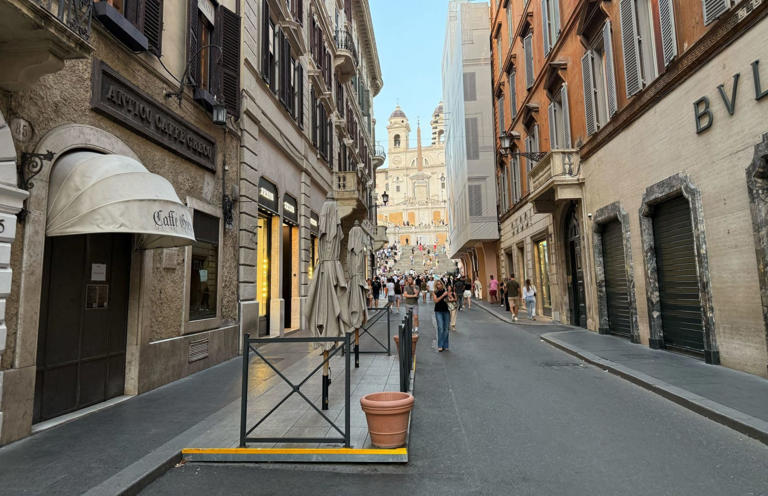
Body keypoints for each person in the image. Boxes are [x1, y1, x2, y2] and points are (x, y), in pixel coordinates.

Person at [432, 280, 450, 352]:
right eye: (437, 285)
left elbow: (451, 299)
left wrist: (449, 295)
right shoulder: (435, 292)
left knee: (446, 329)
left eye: (440, 284)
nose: (439, 286)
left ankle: (445, 345)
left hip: (446, 311)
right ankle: (440, 345)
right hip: (438, 311)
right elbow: (436, 301)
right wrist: (443, 295)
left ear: (442, 285)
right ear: (436, 286)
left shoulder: (446, 291)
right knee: (440, 328)